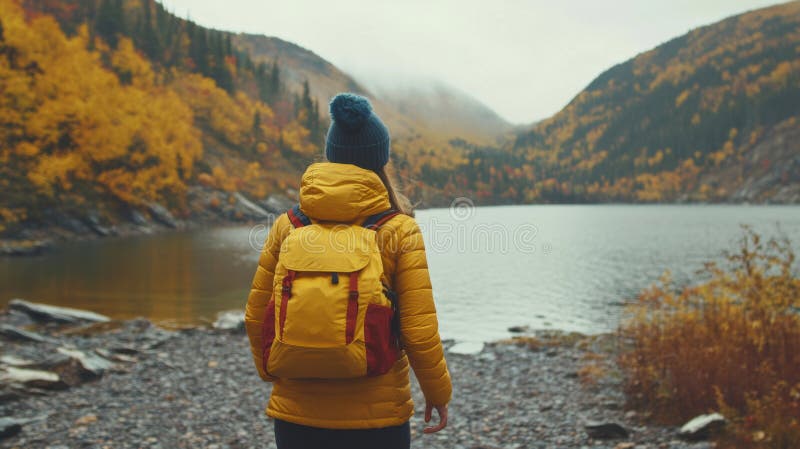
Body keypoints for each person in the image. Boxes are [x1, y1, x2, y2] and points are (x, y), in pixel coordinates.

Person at [245, 93, 452, 449]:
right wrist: (438, 393)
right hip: (378, 416)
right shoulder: (399, 229)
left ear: (331, 155)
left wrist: (273, 371)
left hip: (296, 414)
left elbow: (254, 315)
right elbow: (418, 333)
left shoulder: (288, 225)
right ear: (381, 160)